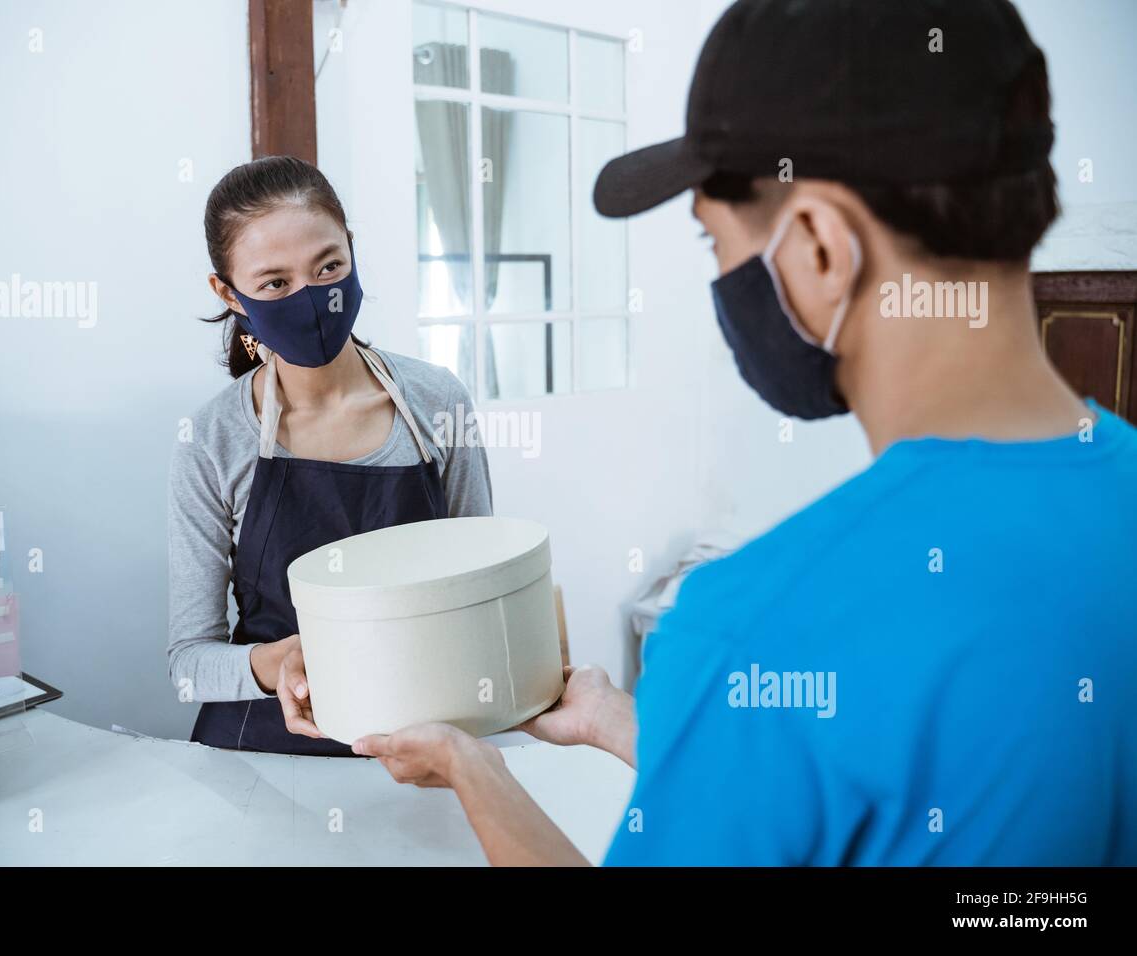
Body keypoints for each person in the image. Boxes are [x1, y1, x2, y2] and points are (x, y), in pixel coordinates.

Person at [354, 0, 1137, 864]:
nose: (722, 282)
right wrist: (628, 722)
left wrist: (475, 771)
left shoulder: (751, 625)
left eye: (713, 243)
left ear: (818, 248)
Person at [168, 157, 492, 755]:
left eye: (328, 267)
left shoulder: (438, 403)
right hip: (260, 751)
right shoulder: (214, 438)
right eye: (275, 284)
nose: (311, 299)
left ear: (352, 251)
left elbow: (483, 593)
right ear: (228, 293)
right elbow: (188, 664)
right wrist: (276, 665)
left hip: (420, 741)